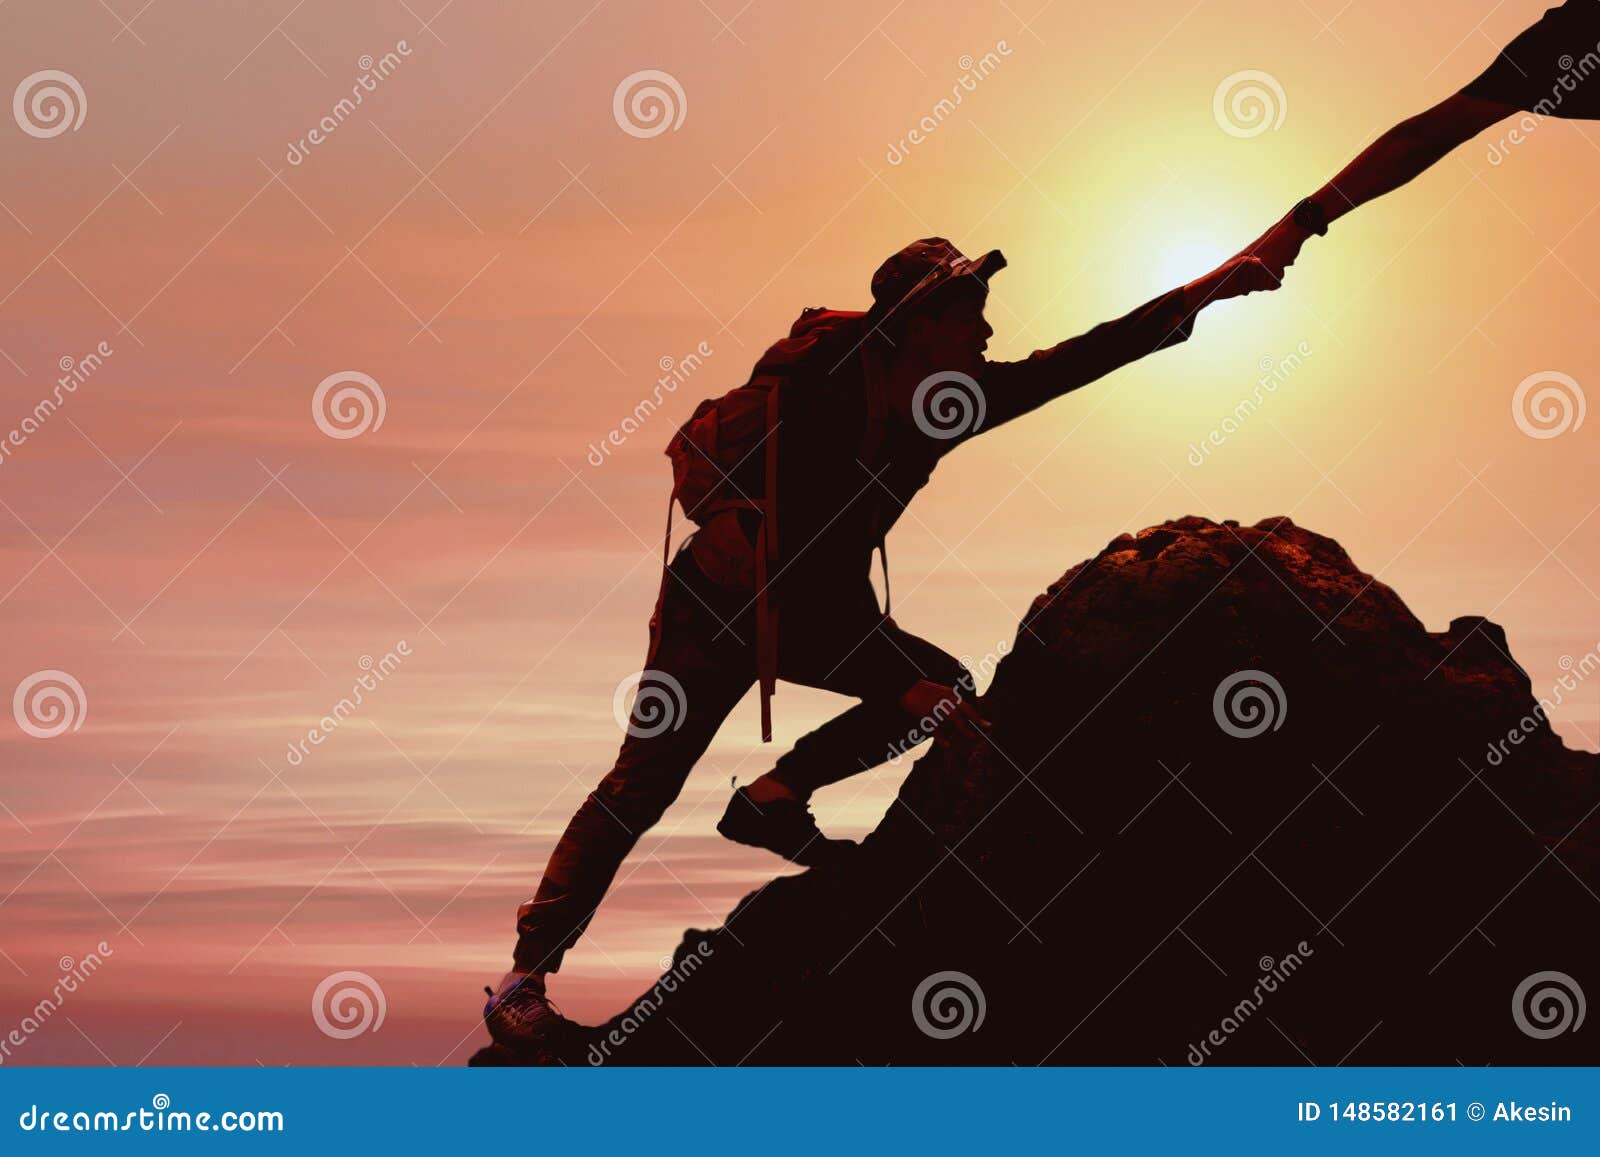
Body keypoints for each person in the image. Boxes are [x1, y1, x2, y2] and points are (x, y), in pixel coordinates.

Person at [483, 236, 1279, 1053]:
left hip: (819, 605)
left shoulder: (949, 399)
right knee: (641, 786)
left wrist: (1209, 290)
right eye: (969, 313)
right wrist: (892, 682)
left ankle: (771, 797)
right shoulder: (819, 403)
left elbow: (1072, 362)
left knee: (944, 687)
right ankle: (523, 983)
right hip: (718, 608)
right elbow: (790, 572)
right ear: (920, 324)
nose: (987, 332)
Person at [1240, 0, 1600, 277]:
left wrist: (1299, 225)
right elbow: (1424, 138)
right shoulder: (1575, 38)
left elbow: (1425, 138)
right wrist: (1301, 223)